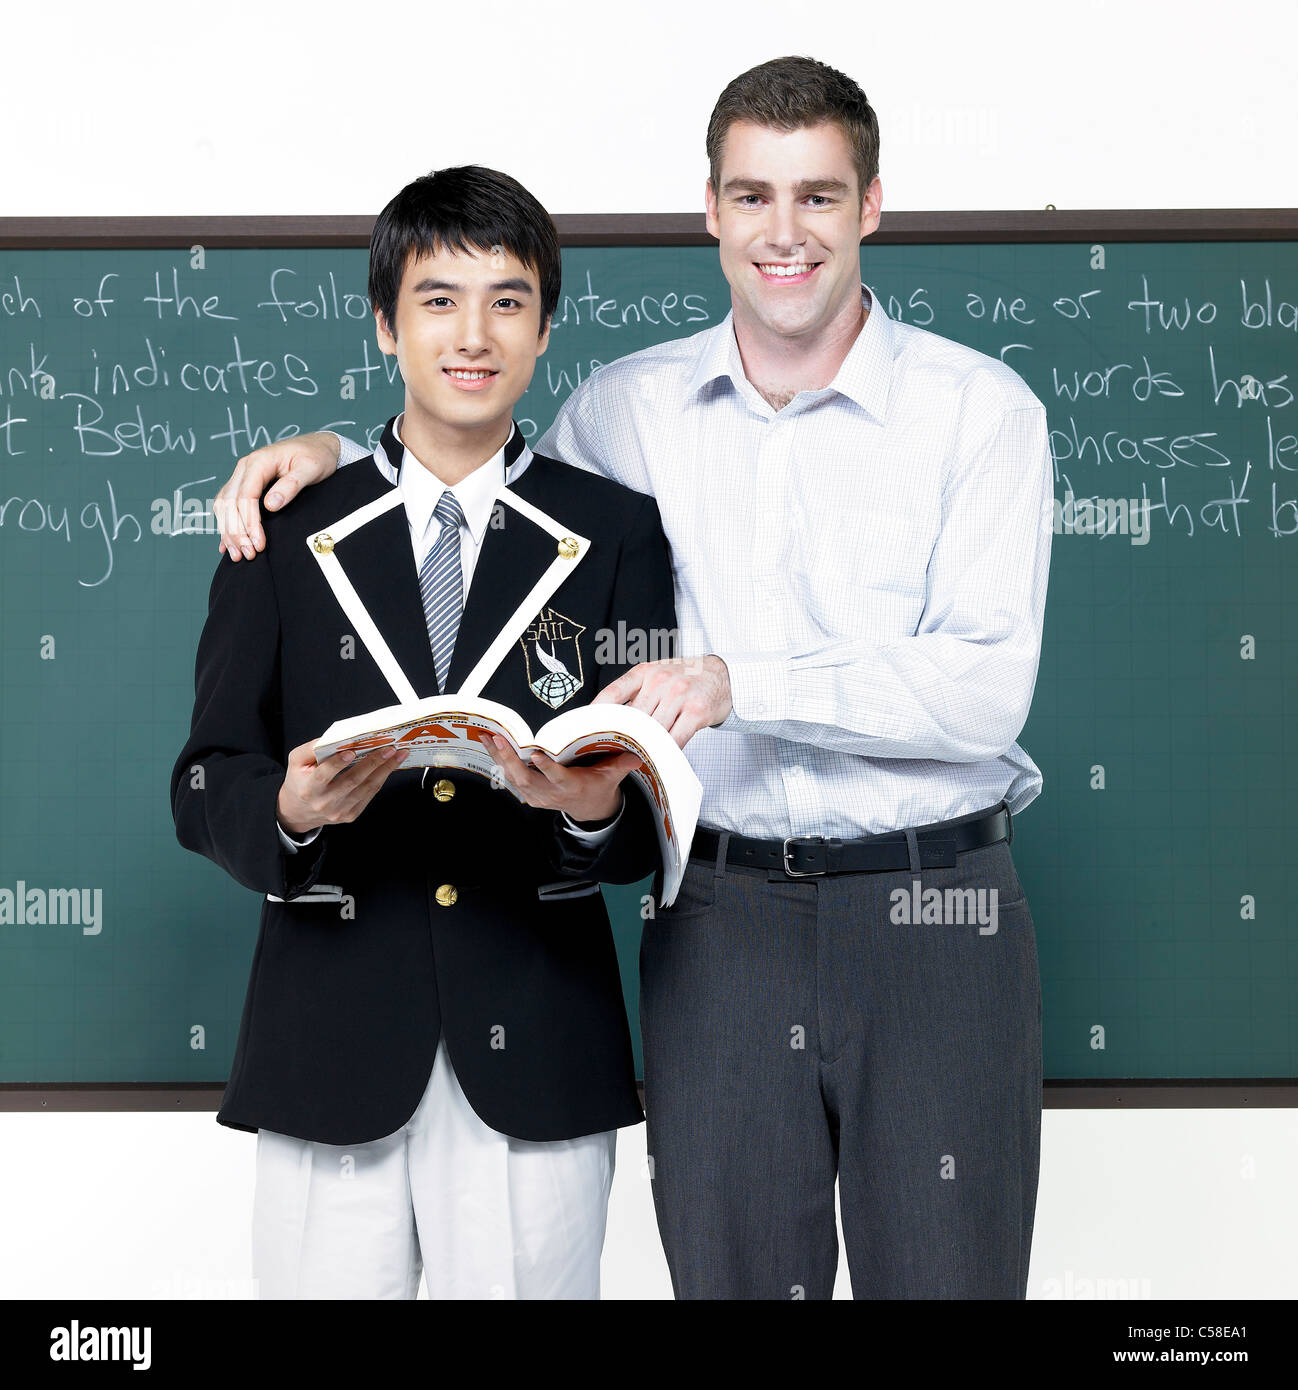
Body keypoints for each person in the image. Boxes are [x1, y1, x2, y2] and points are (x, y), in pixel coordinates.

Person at [211, 55, 1052, 1300]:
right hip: (714, 917)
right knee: (728, 1283)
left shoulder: (979, 413)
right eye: (751, 196)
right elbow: (463, 466)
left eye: (817, 197)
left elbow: (985, 691)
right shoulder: (626, 409)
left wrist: (736, 678)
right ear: (708, 208)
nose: (783, 233)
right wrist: (328, 450)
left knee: (946, 1281)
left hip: (931, 911)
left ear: (870, 206)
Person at [171, 164, 676, 1300]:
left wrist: (591, 807)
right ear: (384, 323)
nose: (473, 333)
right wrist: (291, 811)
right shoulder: (286, 519)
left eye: (507, 300)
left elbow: (657, 809)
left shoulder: (612, 531)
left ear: (544, 327)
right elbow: (204, 776)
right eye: (438, 298)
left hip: (537, 1041)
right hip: (329, 1037)